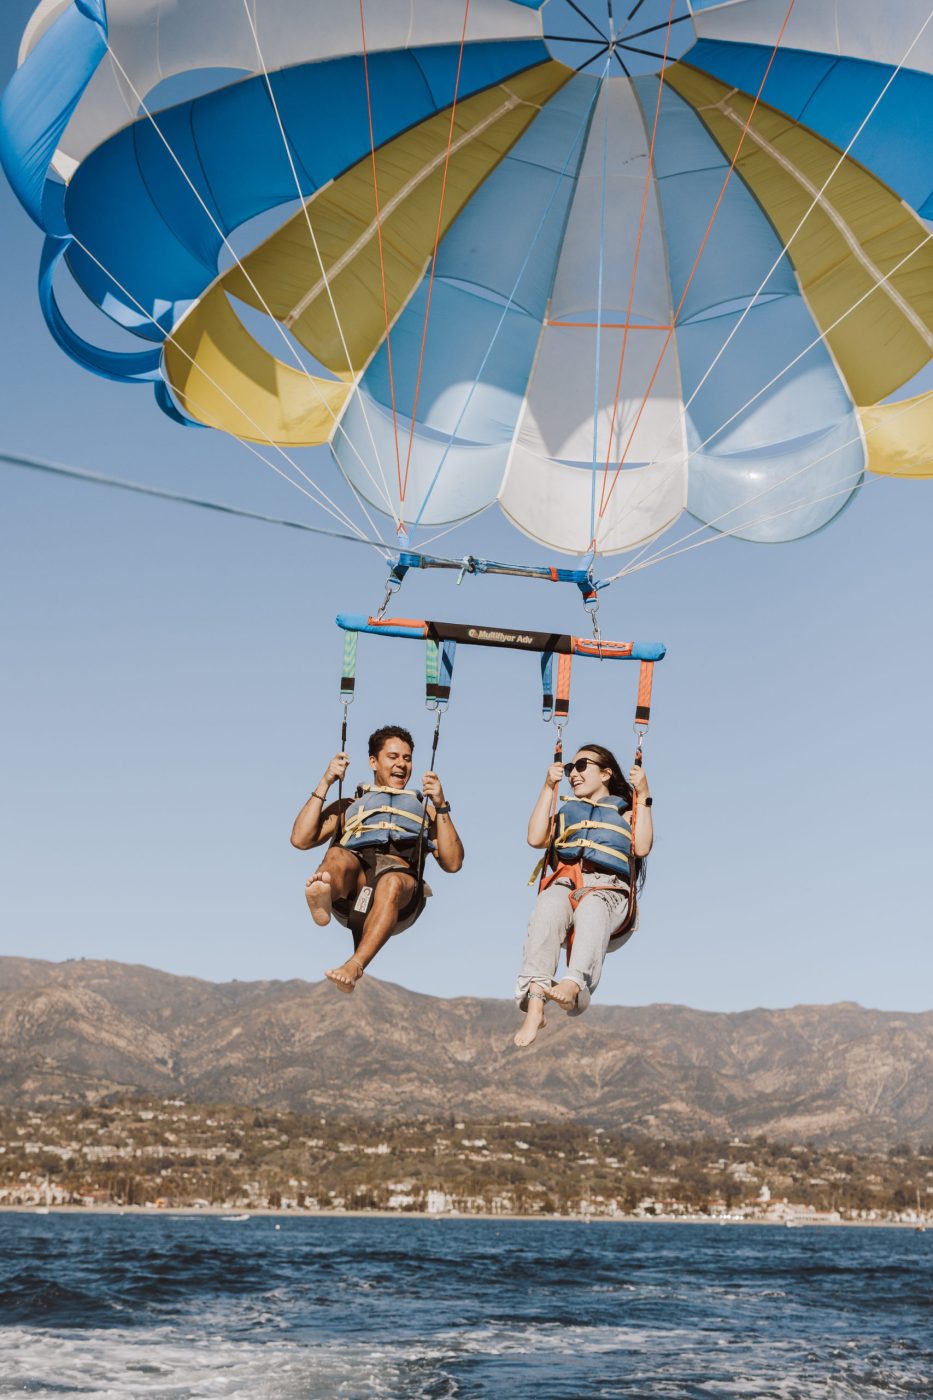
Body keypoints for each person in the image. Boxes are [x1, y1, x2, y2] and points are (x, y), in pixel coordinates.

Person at [290, 725, 463, 992]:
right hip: (353, 886)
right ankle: (324, 895)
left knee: (391, 882)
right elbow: (300, 839)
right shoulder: (350, 805)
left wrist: (441, 804)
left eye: (407, 758)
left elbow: (453, 863)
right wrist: (326, 781)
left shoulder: (427, 812)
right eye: (393, 757)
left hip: (401, 893)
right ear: (373, 761)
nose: (401, 764)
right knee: (336, 854)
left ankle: (355, 965)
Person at [513, 743, 653, 1046]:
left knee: (591, 906)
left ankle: (574, 984)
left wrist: (643, 793)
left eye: (581, 766)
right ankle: (535, 1002)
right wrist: (548, 786)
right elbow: (535, 838)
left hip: (607, 890)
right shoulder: (568, 813)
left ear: (605, 773)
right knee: (548, 906)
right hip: (567, 883)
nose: (572, 774)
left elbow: (641, 846)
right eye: (569, 769)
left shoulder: (627, 813)